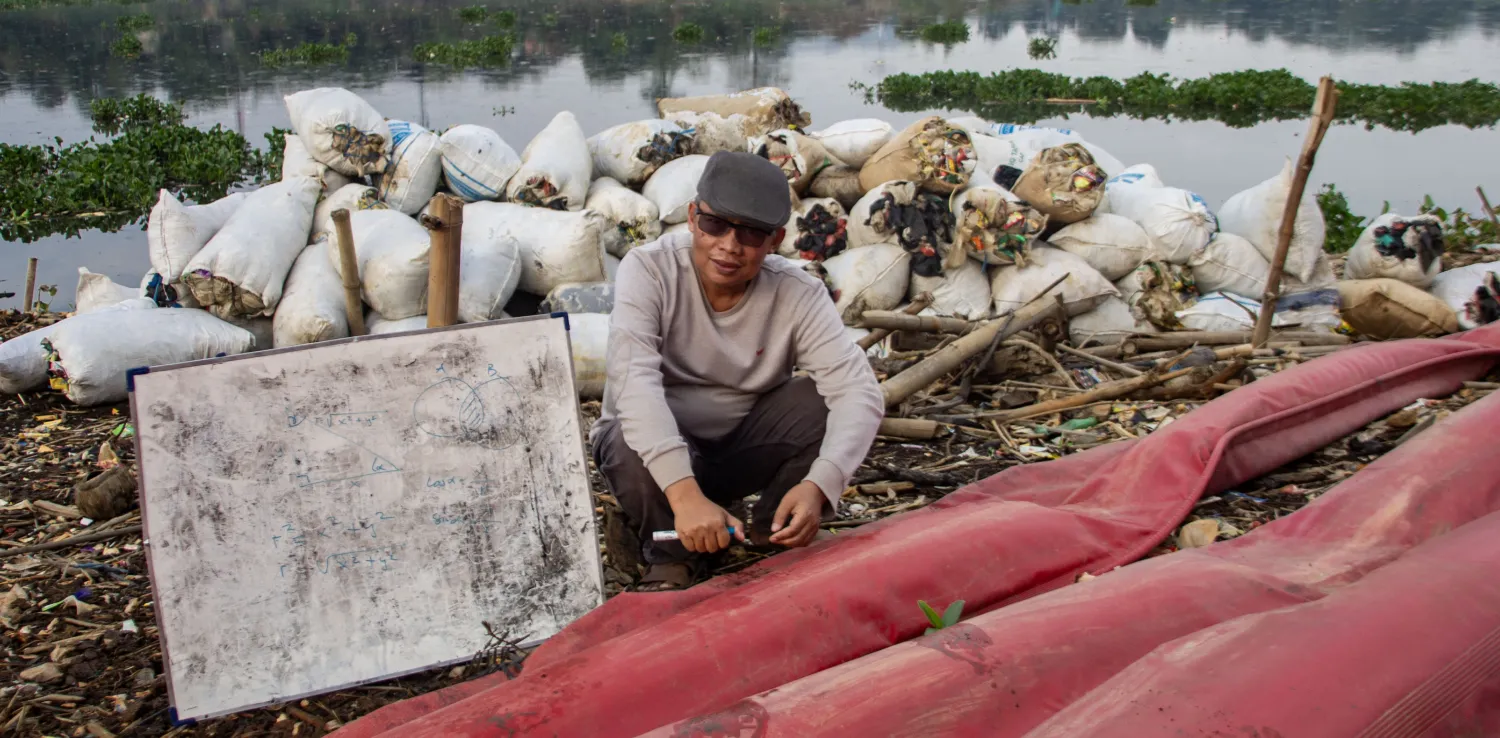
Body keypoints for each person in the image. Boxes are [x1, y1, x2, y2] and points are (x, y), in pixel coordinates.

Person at [591, 151, 884, 591]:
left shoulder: (797, 292)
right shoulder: (649, 269)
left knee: (821, 401)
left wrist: (822, 485)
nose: (729, 246)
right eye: (715, 225)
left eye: (751, 233)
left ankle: (775, 528)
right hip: (660, 460)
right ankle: (673, 553)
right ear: (692, 217)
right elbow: (635, 383)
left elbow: (858, 392)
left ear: (776, 240)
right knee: (625, 440)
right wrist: (685, 495)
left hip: (740, 448)